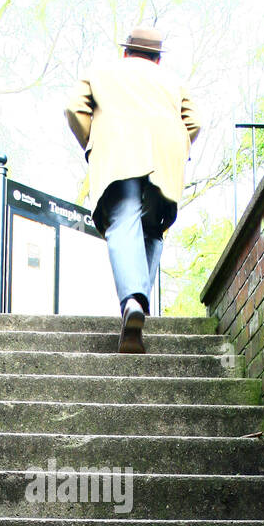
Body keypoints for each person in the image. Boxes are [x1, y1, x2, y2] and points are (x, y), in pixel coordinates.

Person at [64, 27, 200, 353]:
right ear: (157, 58)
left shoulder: (100, 72)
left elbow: (74, 108)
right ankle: (137, 304)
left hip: (119, 154)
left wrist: (93, 143)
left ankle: (133, 302)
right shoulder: (173, 82)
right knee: (152, 230)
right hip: (165, 157)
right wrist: (175, 148)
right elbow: (193, 123)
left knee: (124, 218)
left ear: (127, 52)